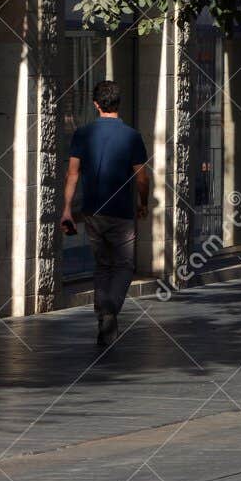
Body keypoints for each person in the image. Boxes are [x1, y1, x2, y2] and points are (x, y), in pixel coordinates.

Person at [62, 80, 150, 346]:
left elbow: (73, 174)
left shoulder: (82, 134)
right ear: (118, 104)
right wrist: (142, 202)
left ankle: (103, 312)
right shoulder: (132, 136)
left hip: (93, 211)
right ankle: (110, 308)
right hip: (122, 212)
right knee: (124, 265)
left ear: (96, 104)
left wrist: (66, 208)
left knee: (102, 265)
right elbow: (142, 177)